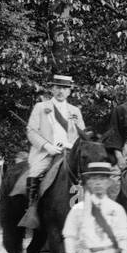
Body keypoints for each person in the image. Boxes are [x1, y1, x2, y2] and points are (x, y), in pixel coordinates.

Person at [23, 73, 86, 228]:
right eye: (58, 87)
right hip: (47, 152)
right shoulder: (41, 107)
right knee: (36, 172)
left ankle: (80, 211)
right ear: (52, 88)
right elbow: (31, 131)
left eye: (65, 88)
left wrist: (72, 145)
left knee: (82, 174)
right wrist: (46, 146)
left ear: (70, 91)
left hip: (70, 151)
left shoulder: (74, 111)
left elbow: (82, 134)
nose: (61, 91)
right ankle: (32, 209)